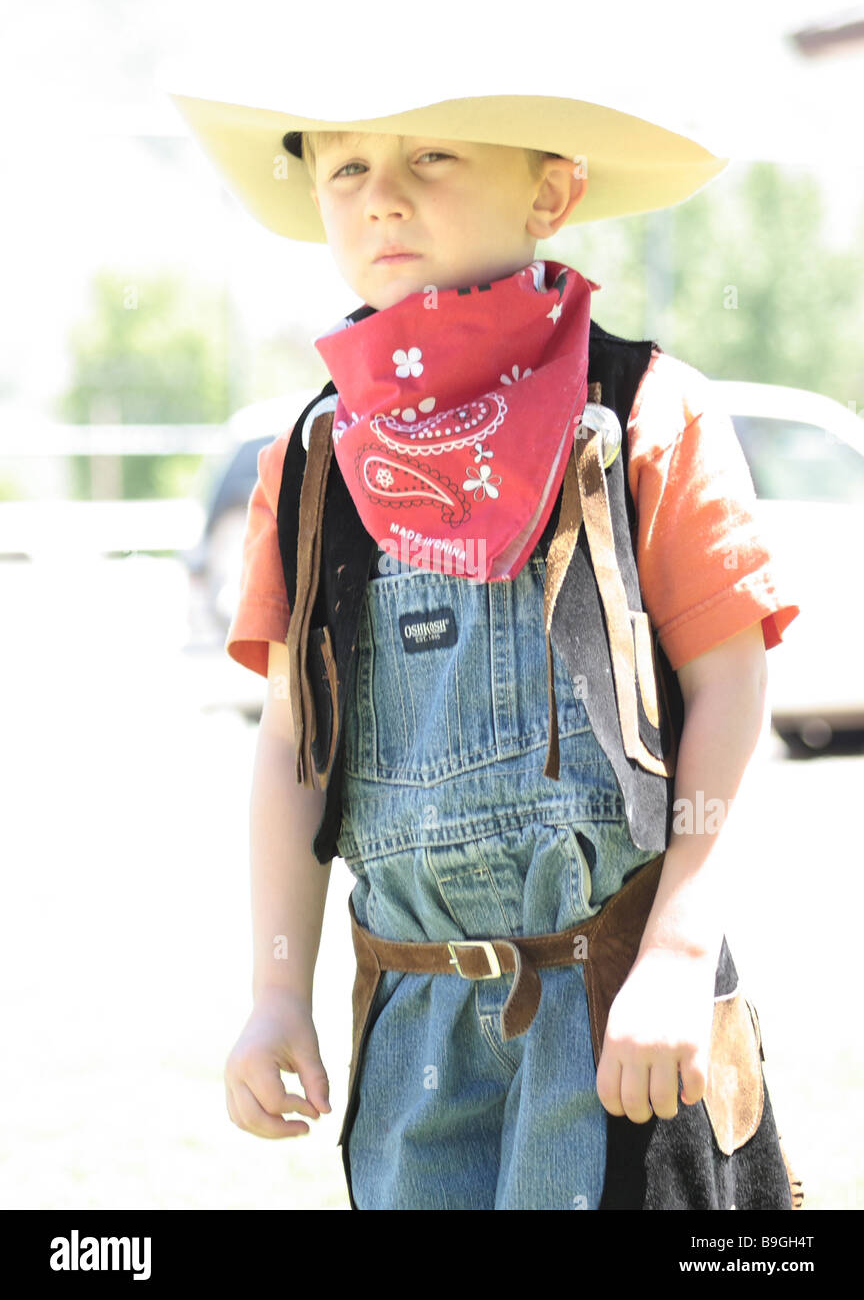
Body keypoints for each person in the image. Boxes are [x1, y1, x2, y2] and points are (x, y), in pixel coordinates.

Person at [172, 87, 803, 1209]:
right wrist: (277, 988)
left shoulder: (648, 412)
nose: (385, 198)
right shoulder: (310, 467)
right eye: (348, 169)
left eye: (432, 154)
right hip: (414, 1028)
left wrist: (677, 948)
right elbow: (291, 749)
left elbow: (733, 693)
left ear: (552, 188)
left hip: (617, 1016)